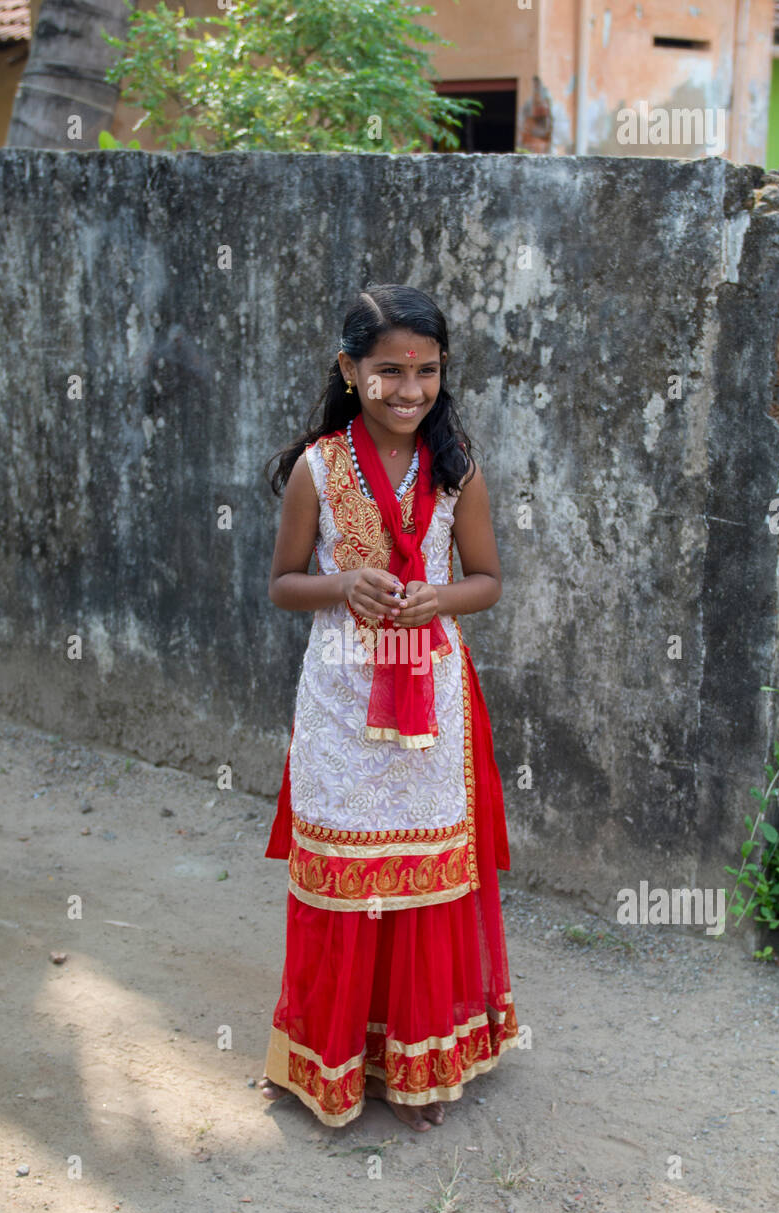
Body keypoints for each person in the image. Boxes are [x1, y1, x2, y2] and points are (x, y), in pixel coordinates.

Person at [259, 283, 519, 1132]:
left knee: (423, 882)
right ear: (349, 370)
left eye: (428, 371)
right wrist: (344, 583)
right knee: (344, 875)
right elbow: (283, 585)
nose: (410, 391)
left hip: (429, 702)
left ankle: (419, 1062)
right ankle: (327, 1063)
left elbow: (485, 581)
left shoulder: (456, 467)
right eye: (389, 372)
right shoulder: (317, 468)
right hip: (341, 700)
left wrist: (436, 600)